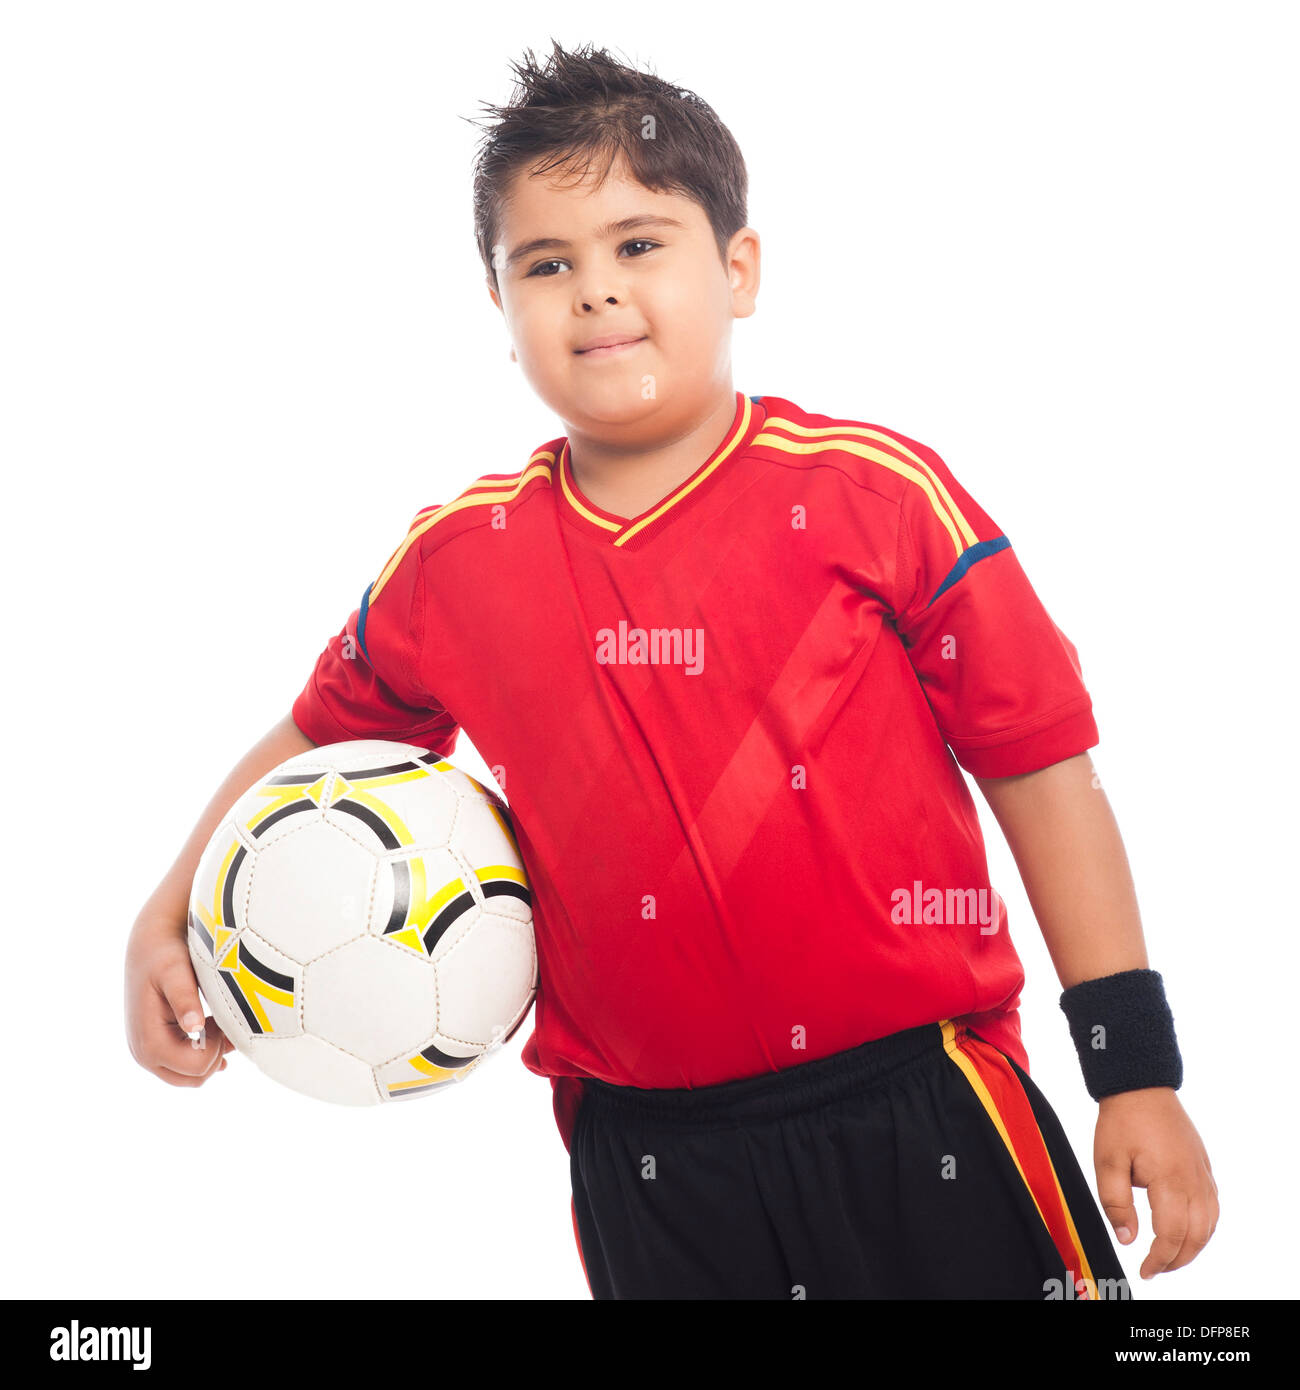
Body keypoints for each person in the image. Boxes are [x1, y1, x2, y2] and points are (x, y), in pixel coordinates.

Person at [125, 40, 1218, 1300]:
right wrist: (165, 913)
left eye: (638, 244)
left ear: (738, 268)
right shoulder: (455, 564)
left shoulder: (876, 495)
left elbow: (1044, 771)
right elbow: (313, 747)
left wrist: (1131, 1067)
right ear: (498, 304)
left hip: (923, 1101)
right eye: (548, 263)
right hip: (652, 1155)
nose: (596, 291)